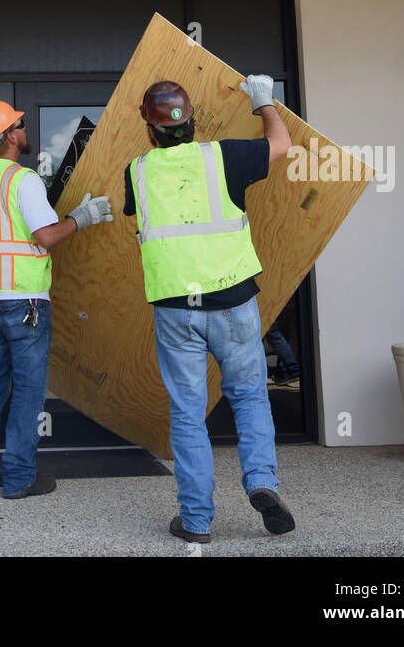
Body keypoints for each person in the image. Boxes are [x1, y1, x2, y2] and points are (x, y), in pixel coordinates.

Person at [123, 76, 295, 543]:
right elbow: (281, 142)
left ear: (148, 126)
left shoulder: (135, 172)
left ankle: (196, 521)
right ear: (194, 120)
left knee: (187, 412)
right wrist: (264, 100)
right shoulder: (225, 156)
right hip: (232, 303)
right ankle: (261, 482)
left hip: (176, 309)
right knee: (250, 396)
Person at [0, 98, 113, 498]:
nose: (24, 129)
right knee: (28, 390)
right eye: (20, 124)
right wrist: (82, 218)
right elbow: (45, 236)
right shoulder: (22, 179)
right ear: (10, 137)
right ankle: (18, 478)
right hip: (25, 301)